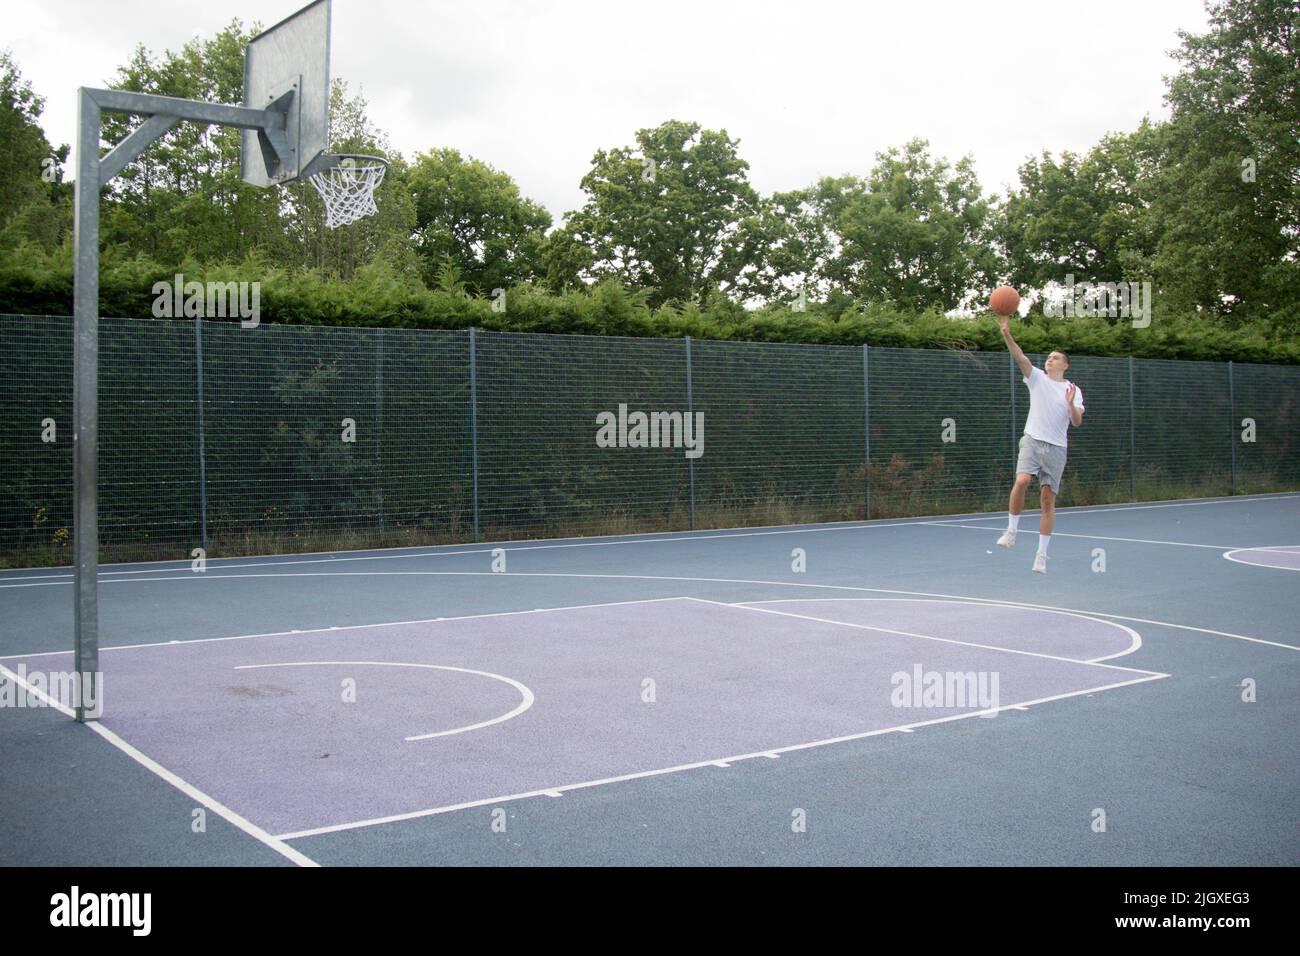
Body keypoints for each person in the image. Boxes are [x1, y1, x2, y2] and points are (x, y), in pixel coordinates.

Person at [996, 316, 1084, 573]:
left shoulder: (1073, 390)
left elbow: (1077, 422)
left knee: (1047, 501)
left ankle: (1041, 555)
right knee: (1022, 481)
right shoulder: (1037, 378)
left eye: (1055, 358)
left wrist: (1070, 405)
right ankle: (1011, 531)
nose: (1049, 359)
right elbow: (1020, 357)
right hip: (1033, 440)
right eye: (1048, 357)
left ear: (1065, 365)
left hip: (1057, 448)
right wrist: (1006, 334)